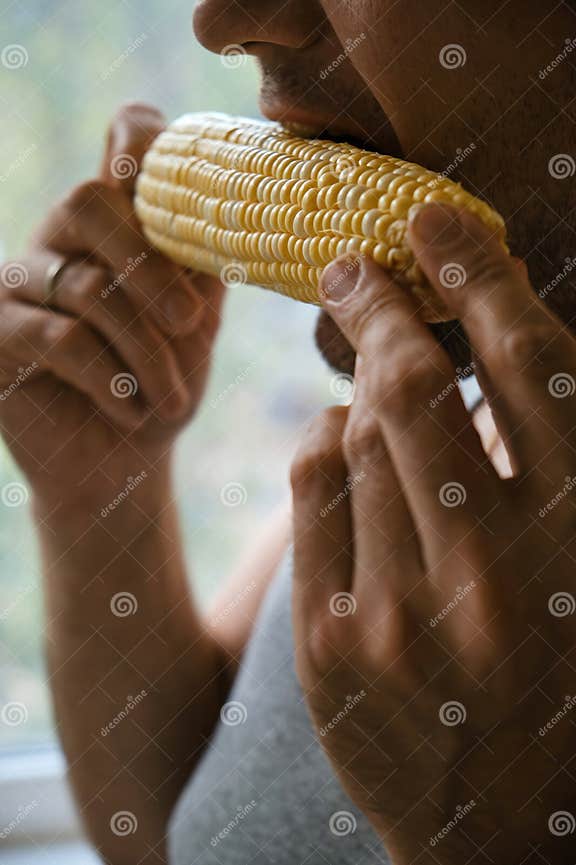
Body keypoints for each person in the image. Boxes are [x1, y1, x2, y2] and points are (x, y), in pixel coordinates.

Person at [1, 1, 575, 862]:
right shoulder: (440, 423)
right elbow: (187, 828)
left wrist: (497, 843)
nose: (223, 20)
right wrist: (101, 497)